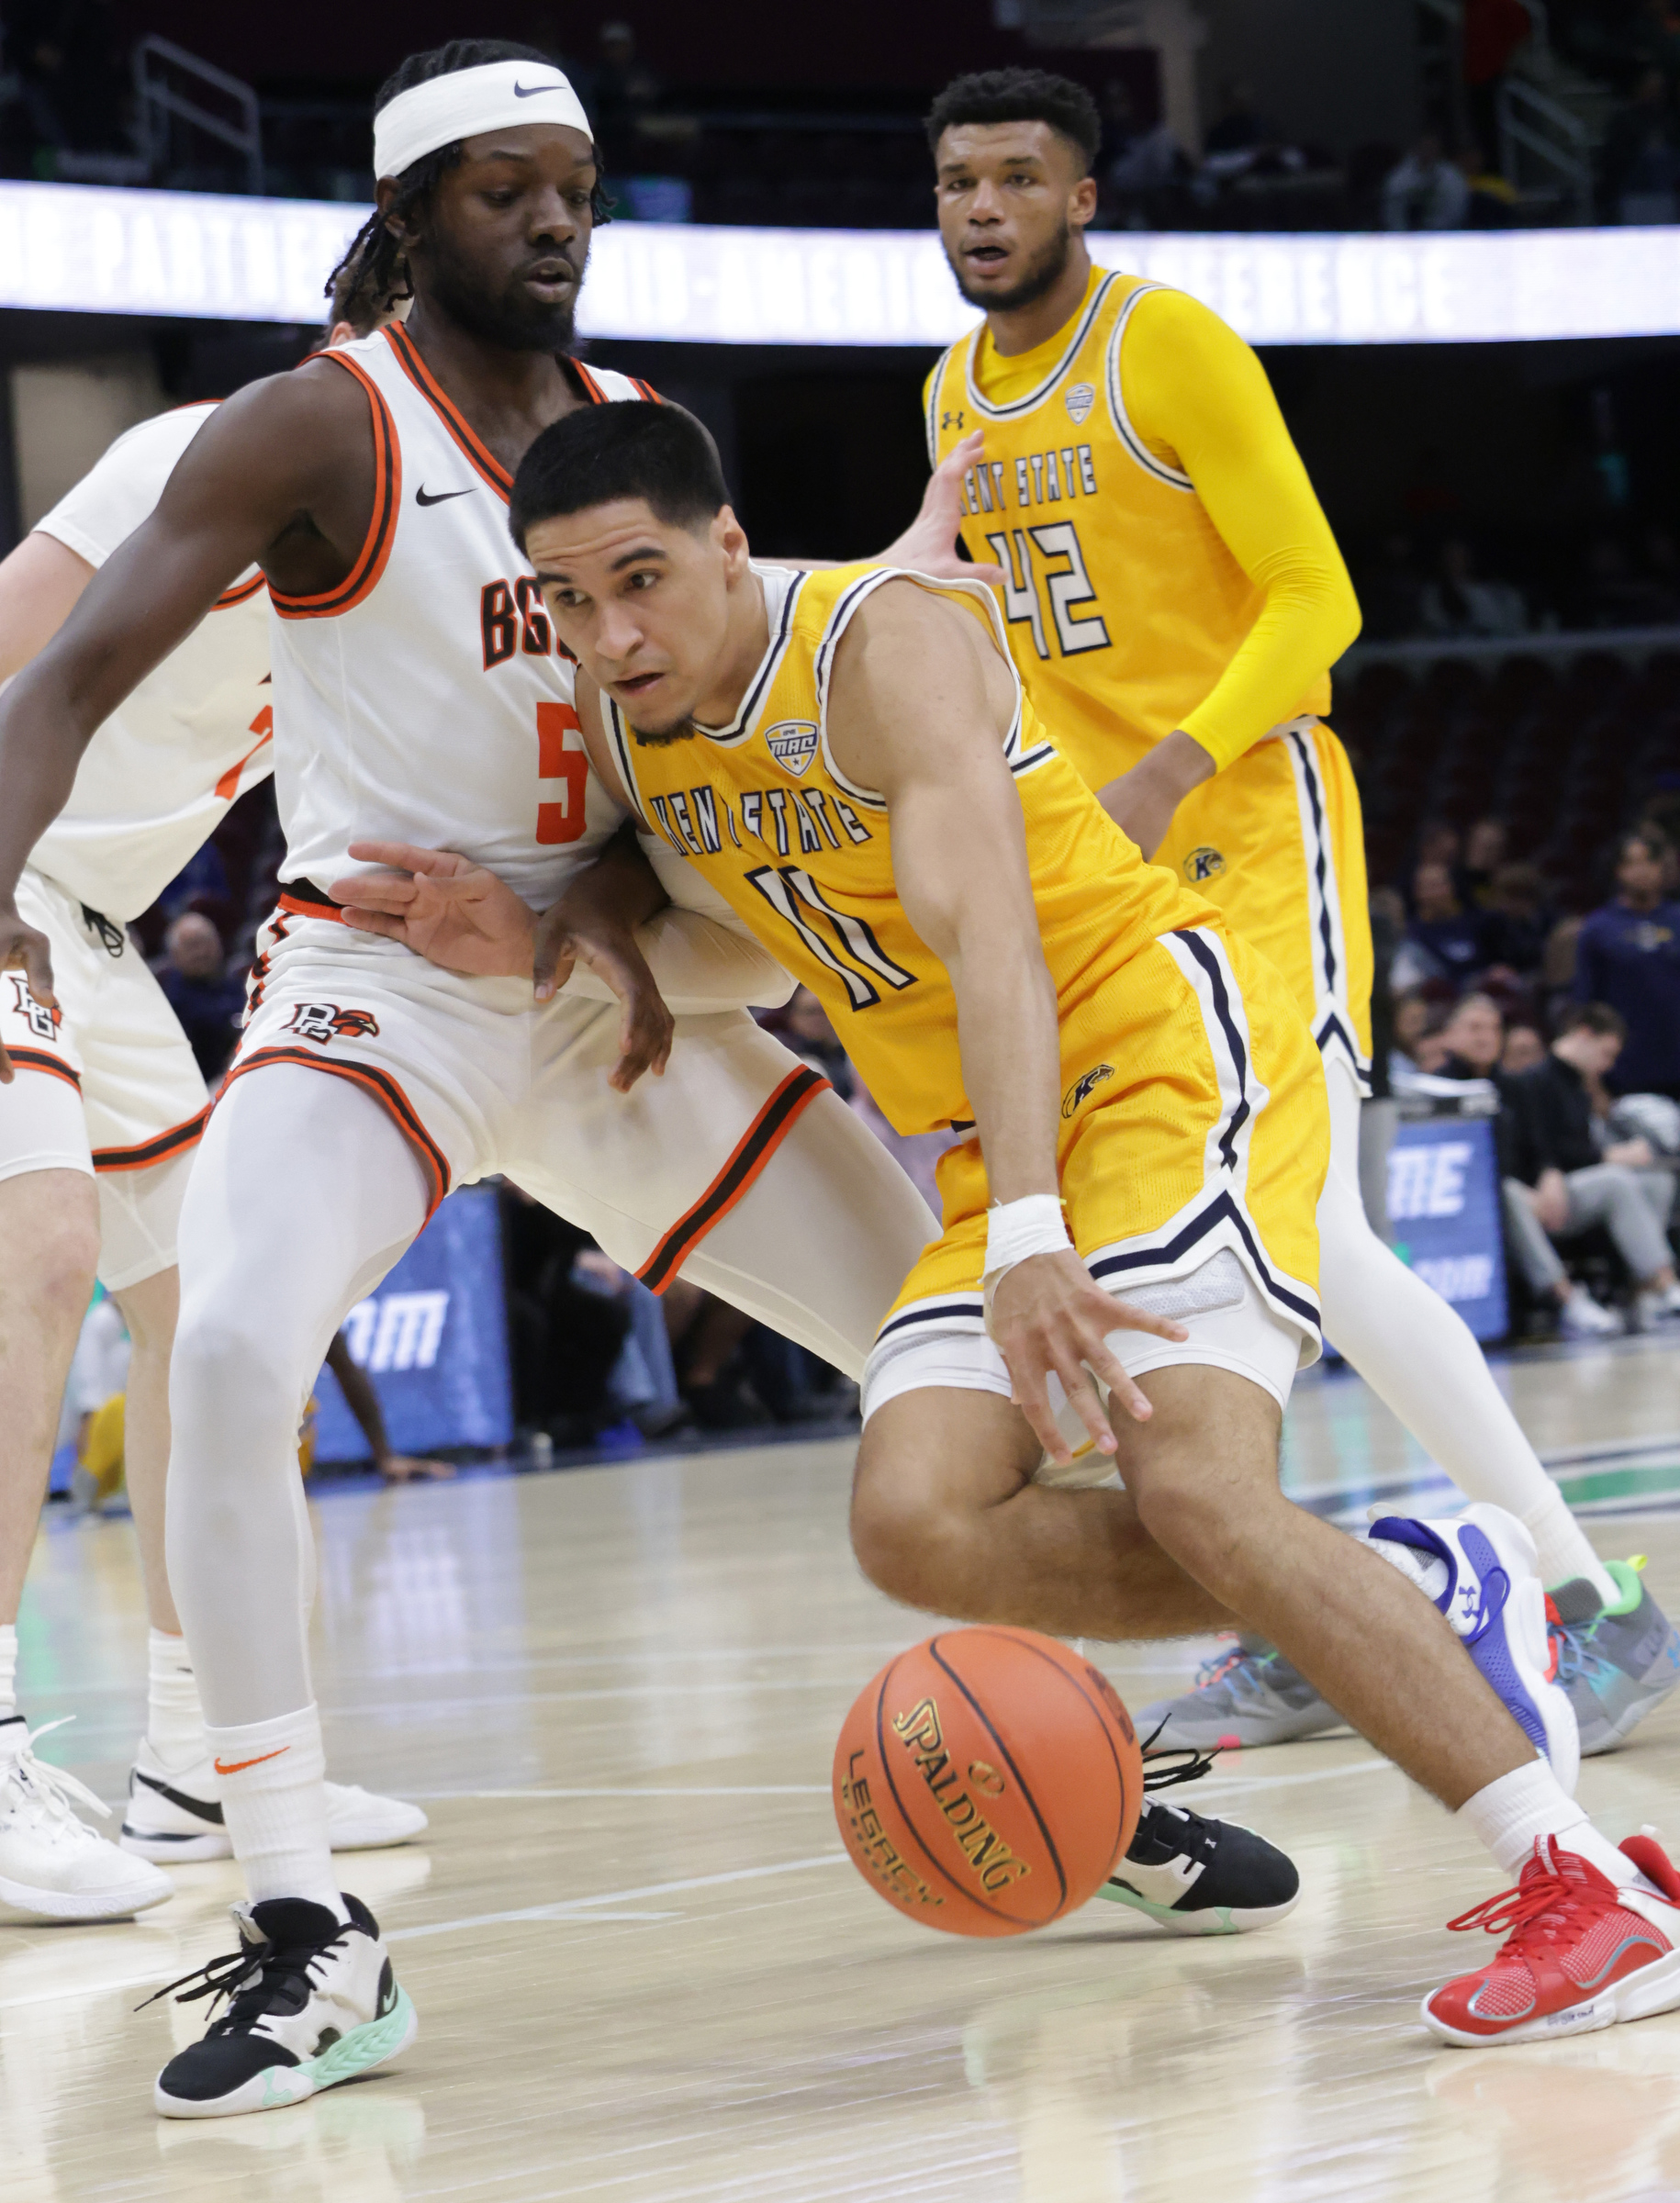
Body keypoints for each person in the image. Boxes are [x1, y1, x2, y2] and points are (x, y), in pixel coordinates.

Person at [0, 43, 1276, 2114]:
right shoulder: (317, 421)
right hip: (383, 980)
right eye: (504, 188)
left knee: (955, 1381)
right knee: (229, 1350)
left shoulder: (631, 447)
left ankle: (1083, 1782)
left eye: (576, 182)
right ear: (415, 216)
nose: (554, 220)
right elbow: (55, 679)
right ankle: (306, 1925)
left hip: (627, 987)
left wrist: (644, 874)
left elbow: (737, 739)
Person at [379, 392, 1680, 2052]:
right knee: (912, 1519)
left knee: (1193, 1481)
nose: (607, 632)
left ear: (726, 543)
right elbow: (687, 883)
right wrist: (585, 935)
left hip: (1145, 1054)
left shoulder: (880, 654)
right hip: (996, 1139)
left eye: (637, 578)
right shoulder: (635, 714)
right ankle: (1417, 1589)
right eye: (564, 598)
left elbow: (993, 942)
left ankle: (1585, 1883)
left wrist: (1027, 1240)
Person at [913, 65, 1674, 1752]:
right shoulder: (946, 392)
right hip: (1101, 863)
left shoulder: (1164, 343)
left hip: (1248, 832)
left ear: (1081, 198)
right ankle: (1317, 1595)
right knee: (1216, 1251)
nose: (982, 205)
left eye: (1018, 177)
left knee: (1304, 1237)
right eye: (959, 178)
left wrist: (1174, 765)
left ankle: (1578, 1601)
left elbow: (1315, 600)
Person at [0, 308, 426, 1928]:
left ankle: (200, 1761)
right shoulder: (186, 457)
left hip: (99, 930)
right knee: (34, 1259)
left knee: (224, 1325)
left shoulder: (388, 570)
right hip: (3, 866)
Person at [1502, 1001, 1680, 1339]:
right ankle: (1663, 1282)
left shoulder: (1580, 1089)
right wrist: (1609, 1156)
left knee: (1656, 1181)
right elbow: (1545, 1150)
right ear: (1584, 1034)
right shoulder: (1531, 1080)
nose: (1607, 1065)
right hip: (1540, 1192)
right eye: (1606, 1053)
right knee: (1616, 1180)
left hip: (1575, 1187)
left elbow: (1578, 1150)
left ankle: (1642, 1293)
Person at [1574, 826, 1680, 1100]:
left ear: (1661, 868)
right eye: (1631, 863)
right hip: (1625, 1068)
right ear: (1618, 871)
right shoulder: (1598, 929)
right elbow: (1587, 1003)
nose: (1641, 871)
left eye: (1648, 862)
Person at [155, 911, 245, 1081]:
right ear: (174, 954)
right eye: (192, 946)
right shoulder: (170, 1000)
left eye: (206, 942)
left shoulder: (236, 984)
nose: (201, 952)